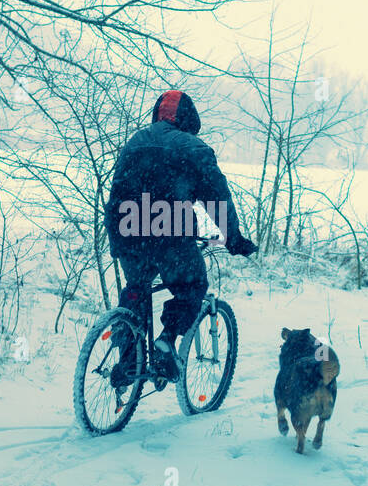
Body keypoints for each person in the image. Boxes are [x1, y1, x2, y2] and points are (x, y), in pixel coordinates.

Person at [104, 90, 257, 386]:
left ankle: (128, 356)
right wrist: (233, 238)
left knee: (136, 287)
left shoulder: (134, 142)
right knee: (192, 284)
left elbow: (118, 189)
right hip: (167, 231)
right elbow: (217, 199)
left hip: (124, 228)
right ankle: (166, 340)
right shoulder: (194, 148)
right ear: (190, 120)